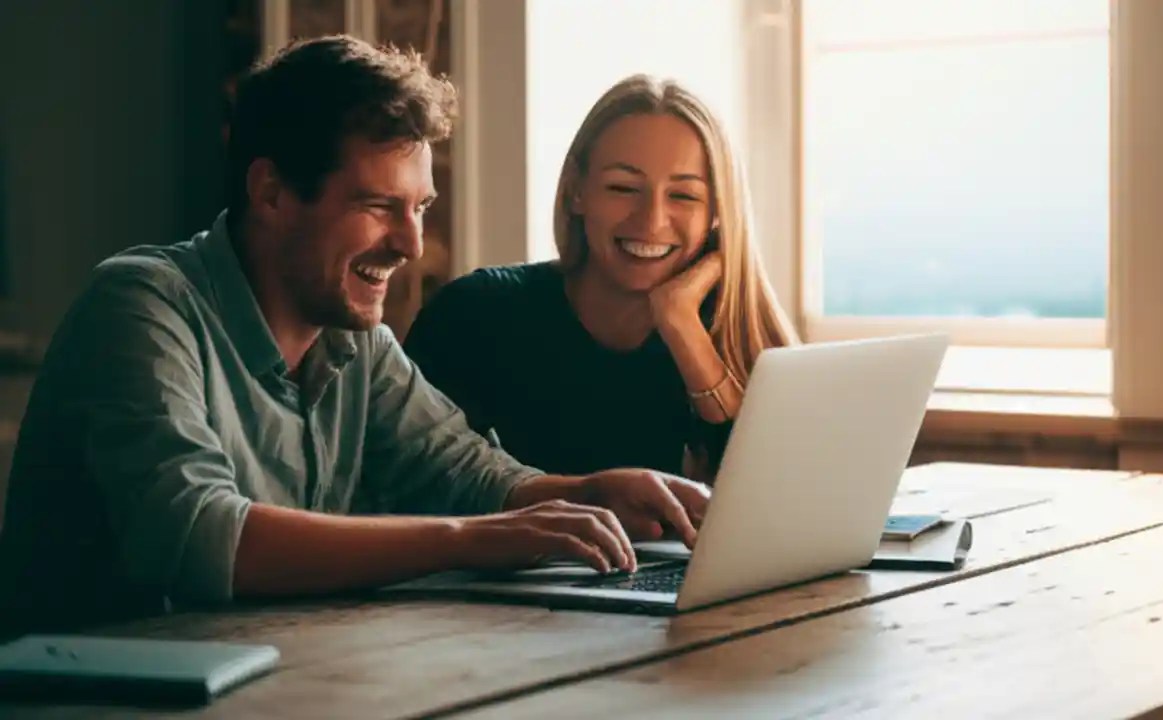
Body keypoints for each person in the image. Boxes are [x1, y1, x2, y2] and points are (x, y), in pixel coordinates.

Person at [0, 37, 708, 635]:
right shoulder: (140, 304)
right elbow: (201, 537)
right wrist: (466, 541)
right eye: (377, 205)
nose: (410, 243)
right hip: (91, 696)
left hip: (272, 682)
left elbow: (464, 472)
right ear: (272, 192)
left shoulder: (351, 338)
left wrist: (589, 491)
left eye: (420, 207)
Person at [403, 75, 796, 483]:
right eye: (622, 188)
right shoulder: (472, 317)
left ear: (718, 212)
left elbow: (781, 499)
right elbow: (403, 489)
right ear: (577, 191)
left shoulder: (743, 335)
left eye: (683, 196)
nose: (652, 221)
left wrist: (683, 328)